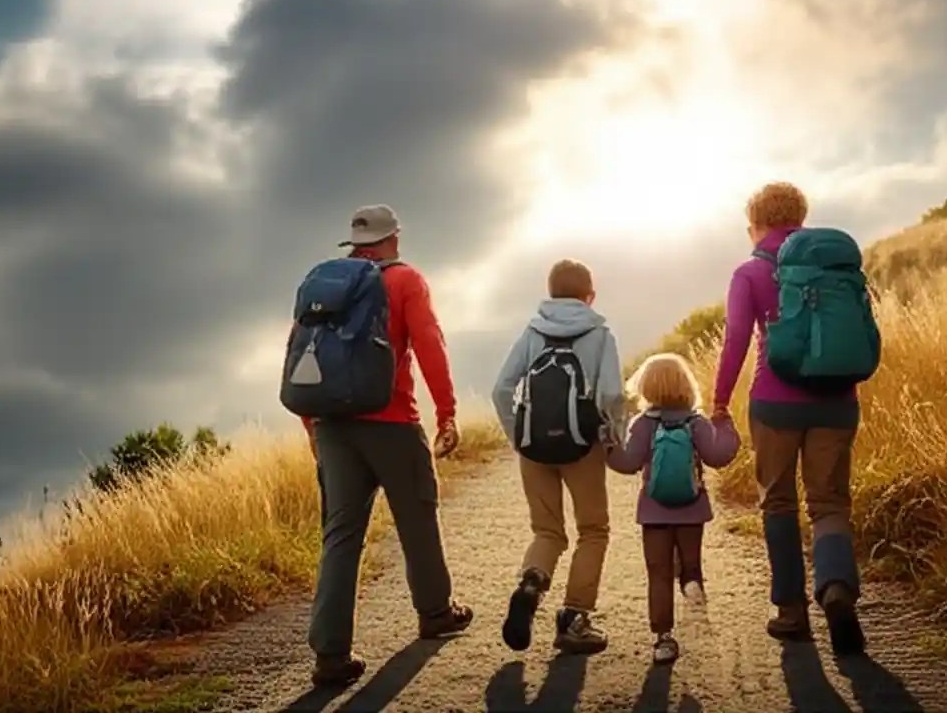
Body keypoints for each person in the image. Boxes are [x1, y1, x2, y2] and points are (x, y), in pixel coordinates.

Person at [303, 204, 473, 688]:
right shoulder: (405, 281)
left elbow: (299, 355)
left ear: (355, 244)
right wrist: (447, 413)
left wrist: (313, 427)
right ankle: (435, 611)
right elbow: (430, 344)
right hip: (393, 420)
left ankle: (331, 657)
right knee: (417, 516)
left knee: (341, 536)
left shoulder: (325, 283)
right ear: (395, 238)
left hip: (334, 424)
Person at [711, 182, 867, 656]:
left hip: (775, 404)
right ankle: (837, 589)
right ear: (801, 216)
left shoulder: (750, 271)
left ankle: (791, 612)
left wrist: (719, 402)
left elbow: (737, 339)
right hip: (837, 399)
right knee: (830, 504)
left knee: (778, 504)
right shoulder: (836, 265)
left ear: (755, 223)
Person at [491, 259, 626, 655]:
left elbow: (502, 388)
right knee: (593, 530)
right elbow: (613, 395)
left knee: (547, 531)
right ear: (591, 296)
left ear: (550, 293)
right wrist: (614, 436)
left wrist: (518, 436)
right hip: (582, 445)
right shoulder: (600, 334)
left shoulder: (532, 330)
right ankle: (573, 619)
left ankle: (532, 583)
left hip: (534, 445)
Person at [607, 353, 738, 664]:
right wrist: (727, 426)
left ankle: (663, 639)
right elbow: (718, 456)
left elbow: (627, 463)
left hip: (654, 512)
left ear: (646, 387)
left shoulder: (643, 425)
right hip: (692, 510)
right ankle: (692, 584)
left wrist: (608, 445)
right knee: (689, 563)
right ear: (685, 385)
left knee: (658, 572)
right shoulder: (696, 422)